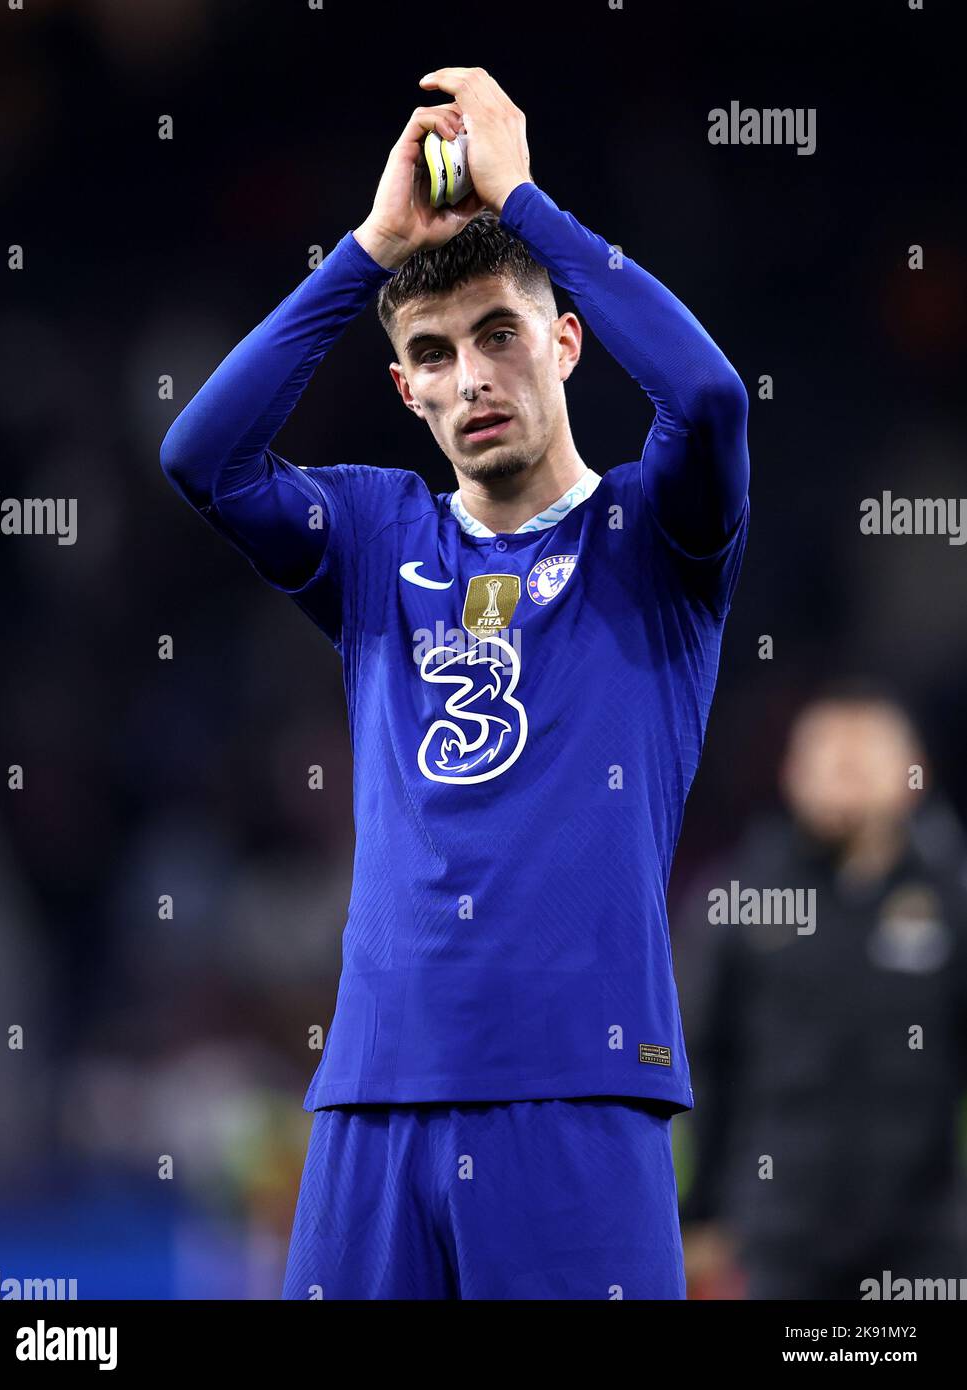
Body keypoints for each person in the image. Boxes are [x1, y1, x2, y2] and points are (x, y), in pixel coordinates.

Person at [160, 66, 750, 1300]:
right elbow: (200, 454)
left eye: (499, 333)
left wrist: (524, 202)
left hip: (578, 1088)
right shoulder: (378, 536)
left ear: (565, 340)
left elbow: (701, 395)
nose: (471, 376)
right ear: (405, 390)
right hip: (373, 1094)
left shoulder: (652, 538)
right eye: (433, 352)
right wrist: (369, 249)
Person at [679, 685, 967, 1299]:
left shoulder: (954, 897)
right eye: (828, 754)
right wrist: (698, 1211)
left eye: (865, 752)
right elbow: (700, 1061)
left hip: (926, 1243)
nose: (846, 768)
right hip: (775, 1235)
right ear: (790, 774)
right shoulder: (739, 898)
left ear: (915, 772)